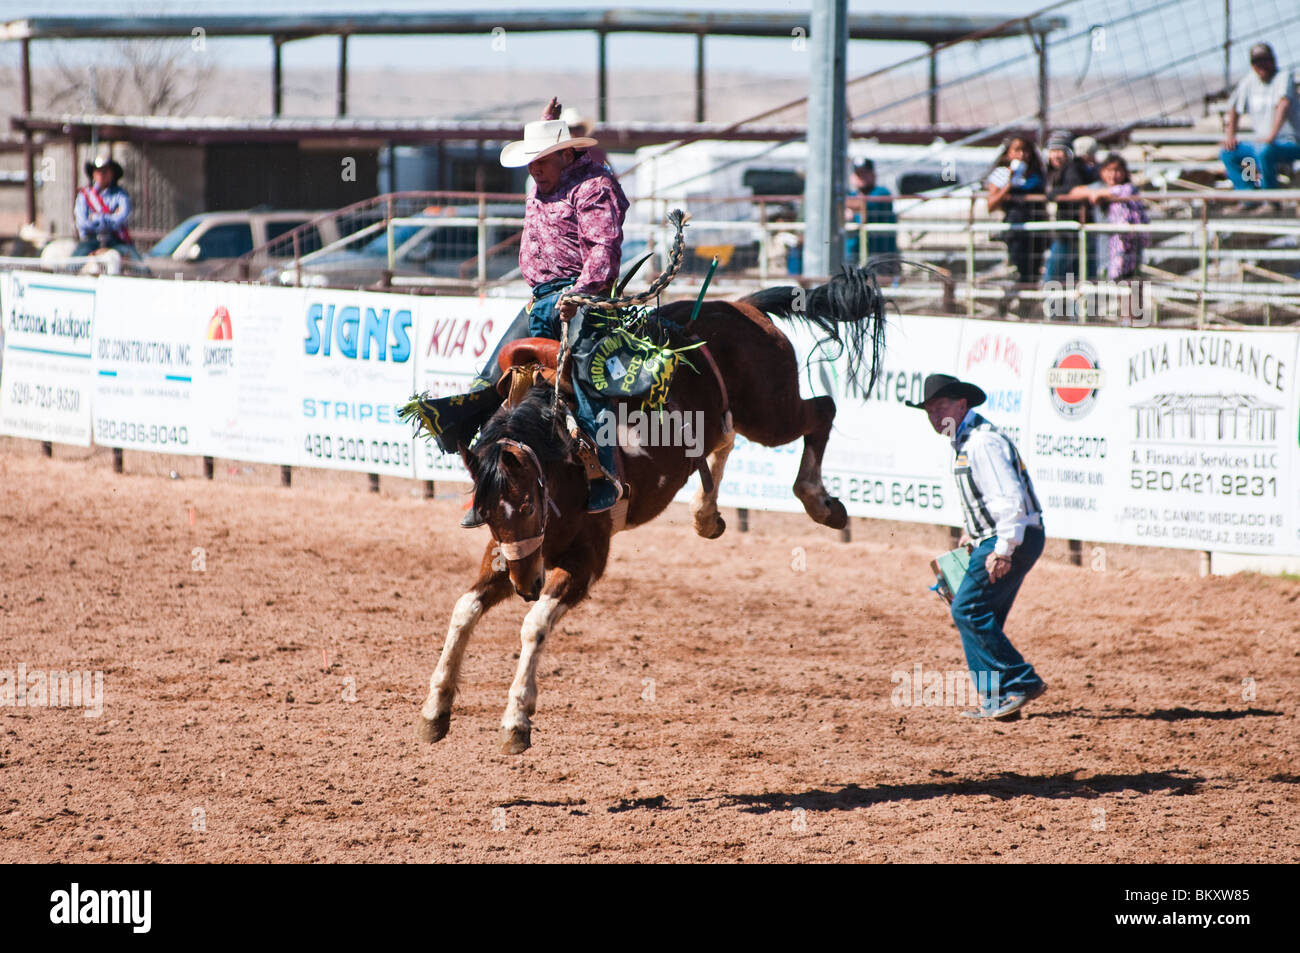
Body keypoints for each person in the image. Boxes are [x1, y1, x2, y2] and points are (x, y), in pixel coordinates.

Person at [449, 97, 629, 523]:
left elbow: (604, 250)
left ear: (567, 156)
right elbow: (550, 156)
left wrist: (581, 292)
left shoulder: (594, 188)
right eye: (532, 160)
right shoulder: (548, 181)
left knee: (588, 382)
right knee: (492, 377)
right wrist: (547, 124)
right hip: (541, 297)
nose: (534, 168)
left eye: (543, 159)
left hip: (584, 297)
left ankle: (604, 473)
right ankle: (487, 482)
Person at [908, 373, 1048, 720]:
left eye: (940, 406)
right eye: (928, 409)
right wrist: (975, 535)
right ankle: (998, 699)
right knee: (985, 615)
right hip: (1008, 535)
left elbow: (1009, 498)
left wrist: (1003, 548)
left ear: (961, 404)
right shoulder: (968, 440)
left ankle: (1020, 681)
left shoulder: (980, 443)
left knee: (967, 610)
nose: (934, 415)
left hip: (1012, 537)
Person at [1220, 43, 1300, 205]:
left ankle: (1271, 199)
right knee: (1231, 153)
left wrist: (1271, 135)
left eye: (1265, 60)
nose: (1261, 65)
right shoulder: (1249, 81)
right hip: (1261, 143)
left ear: (1272, 61)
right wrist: (1230, 136)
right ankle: (1248, 195)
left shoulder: (1283, 77)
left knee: (1264, 152)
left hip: (1290, 143)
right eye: (1257, 62)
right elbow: (1234, 107)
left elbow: (1283, 105)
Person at [986, 136, 1047, 285]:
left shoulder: (1037, 175)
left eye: (1025, 150)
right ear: (1009, 153)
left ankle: (1029, 302)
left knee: (1034, 270)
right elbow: (991, 205)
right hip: (1016, 230)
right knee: (1020, 267)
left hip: (1036, 229)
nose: (1021, 155)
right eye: (1017, 150)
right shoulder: (1001, 174)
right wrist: (1008, 184)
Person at [1042, 130, 1098, 288]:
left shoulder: (1072, 169)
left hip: (1069, 233)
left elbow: (1072, 187)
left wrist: (1053, 194)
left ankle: (1054, 310)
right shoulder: (1053, 172)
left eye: (1060, 151)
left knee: (1054, 278)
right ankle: (1068, 310)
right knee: (1074, 278)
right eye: (1053, 151)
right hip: (1066, 231)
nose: (1056, 155)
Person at [1084, 153, 1149, 282]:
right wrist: (1094, 193)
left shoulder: (1129, 189)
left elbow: (1121, 191)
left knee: (1130, 285)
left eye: (1117, 170)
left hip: (1128, 248)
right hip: (1106, 250)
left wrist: (1099, 194)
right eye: (1109, 170)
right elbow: (1077, 191)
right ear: (1102, 172)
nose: (1113, 175)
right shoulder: (1098, 187)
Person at [72, 156, 141, 260]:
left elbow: (122, 218)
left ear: (112, 174)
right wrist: (111, 217)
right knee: (72, 265)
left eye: (106, 171)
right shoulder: (84, 196)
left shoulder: (121, 195)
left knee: (139, 265)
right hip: (90, 241)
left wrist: (96, 217)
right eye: (98, 171)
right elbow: (82, 223)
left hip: (116, 241)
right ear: (93, 174)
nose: (102, 174)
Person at [845, 159, 897, 278]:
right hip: (854, 254)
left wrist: (842, 205)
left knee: (880, 288)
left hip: (881, 255)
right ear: (852, 177)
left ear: (873, 175)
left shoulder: (882, 193)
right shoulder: (851, 195)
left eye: (865, 174)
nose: (862, 177)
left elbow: (865, 205)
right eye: (859, 174)